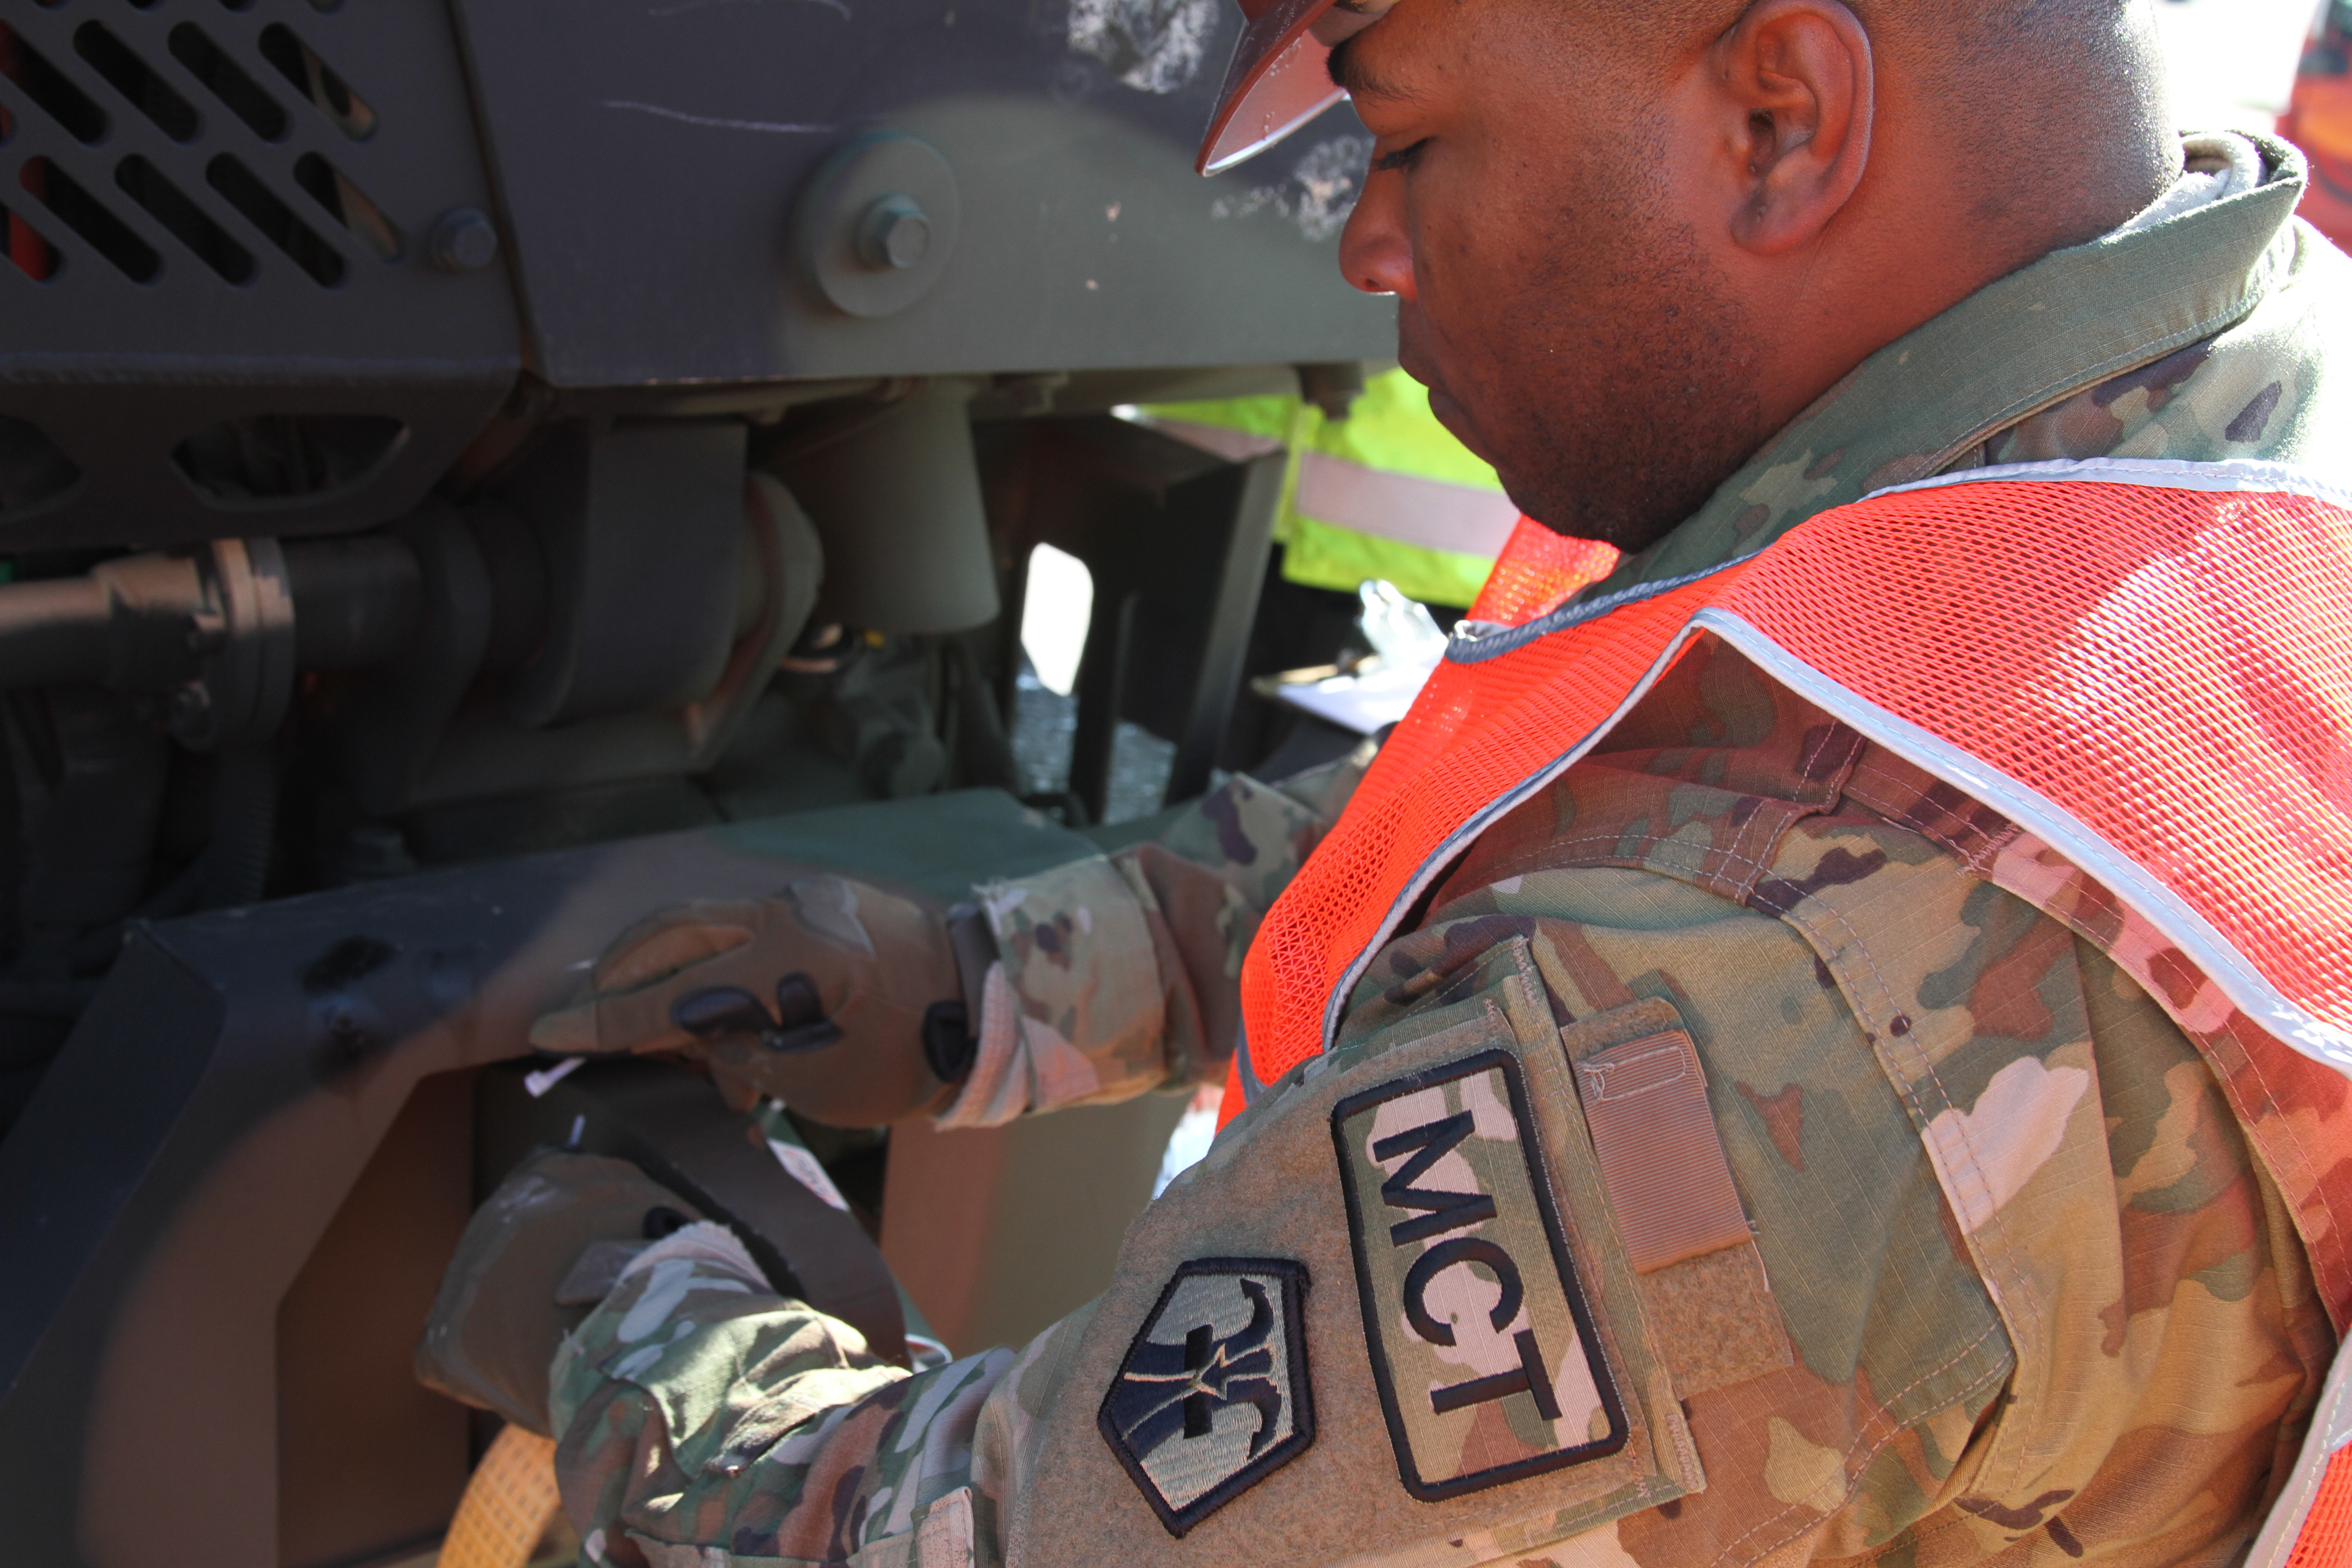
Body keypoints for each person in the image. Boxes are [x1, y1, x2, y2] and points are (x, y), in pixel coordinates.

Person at [419, 2, 2352, 1566]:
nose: (1365, 236)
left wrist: (627, 1318)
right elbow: (1603, 784)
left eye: (1409, 139)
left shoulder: (1772, 1010)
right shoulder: (2196, 426)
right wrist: (978, 983)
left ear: (1781, 116)